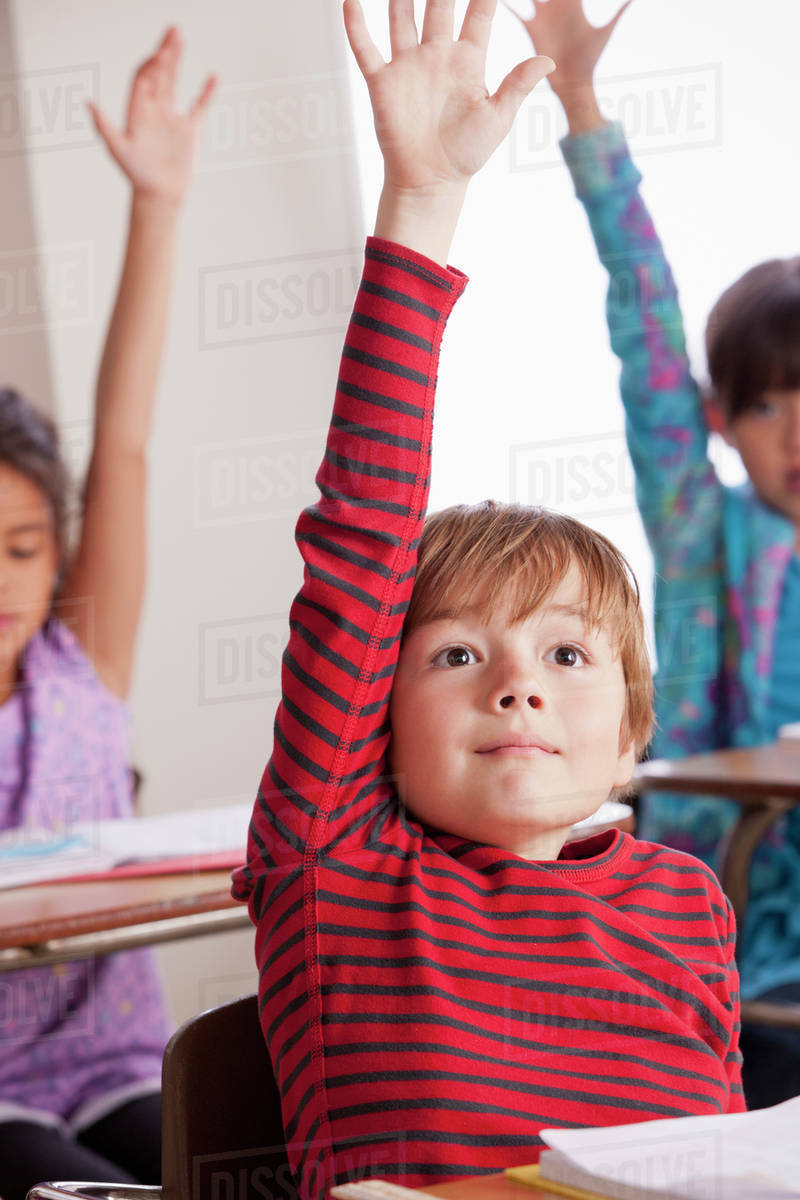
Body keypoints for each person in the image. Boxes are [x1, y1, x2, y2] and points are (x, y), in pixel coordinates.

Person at [233, 2, 743, 1196]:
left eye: (567, 657)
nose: (516, 677)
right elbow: (359, 546)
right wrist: (419, 201)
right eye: (456, 655)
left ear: (629, 734)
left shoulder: (682, 901)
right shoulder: (335, 861)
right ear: (373, 715)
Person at [513, 0, 800, 1109]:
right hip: (725, 961)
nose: (796, 433)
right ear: (721, 420)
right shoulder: (700, 528)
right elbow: (644, 322)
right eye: (768, 404)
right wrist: (582, 108)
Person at [0, 29, 215, 1200]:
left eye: (23, 548)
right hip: (0, 1090)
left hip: (116, 1063)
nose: (2, 581)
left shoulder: (86, 660)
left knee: (244, 1169)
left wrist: (156, 206)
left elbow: (121, 441)